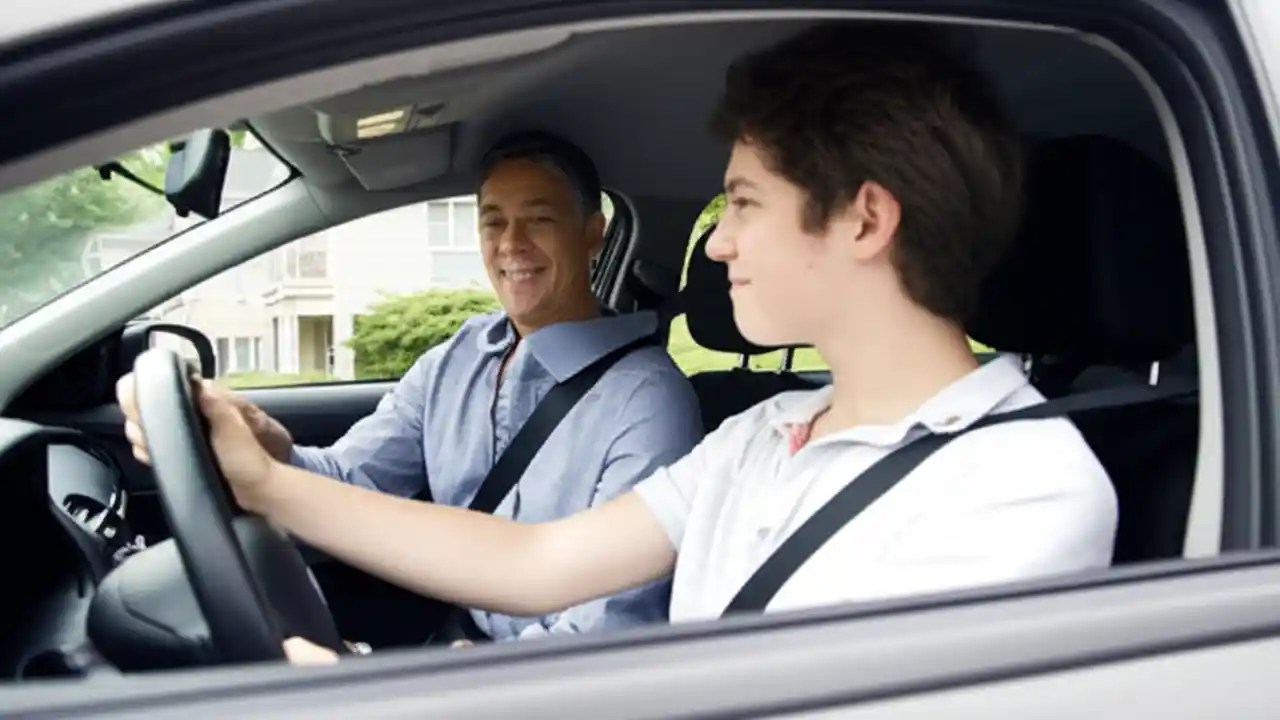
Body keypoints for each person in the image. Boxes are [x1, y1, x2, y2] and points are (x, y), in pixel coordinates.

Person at [118, 23, 1117, 664]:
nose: (716, 242)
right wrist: (265, 481)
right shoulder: (769, 431)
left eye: (742, 203)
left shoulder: (1020, 489)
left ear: (861, 221)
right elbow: (538, 562)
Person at [135, 131, 705, 643]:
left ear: (592, 235)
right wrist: (270, 444)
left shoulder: (648, 400)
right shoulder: (458, 356)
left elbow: (611, 627)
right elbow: (353, 480)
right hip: (453, 633)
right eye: (492, 221)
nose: (510, 243)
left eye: (539, 219)